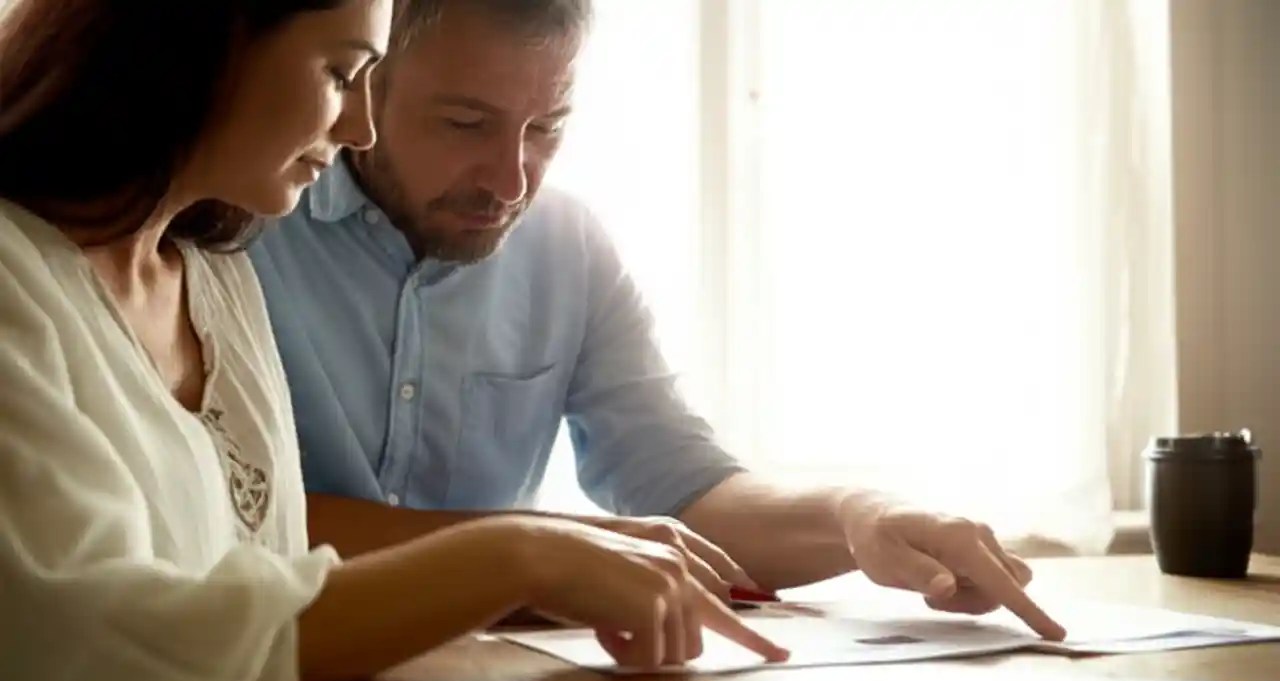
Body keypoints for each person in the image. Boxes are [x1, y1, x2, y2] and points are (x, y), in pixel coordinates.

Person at [0, 1, 787, 681]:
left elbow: (271, 589)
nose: (359, 129)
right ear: (204, 43)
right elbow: (91, 647)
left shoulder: (214, 279)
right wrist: (520, 554)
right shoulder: (15, 275)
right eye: (342, 73)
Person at [250, 0, 1068, 641]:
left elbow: (684, 491)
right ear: (362, 84)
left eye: (548, 129)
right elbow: (233, 518)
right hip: (269, 671)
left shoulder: (567, 246)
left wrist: (858, 517)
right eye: (466, 124)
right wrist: (529, 554)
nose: (511, 181)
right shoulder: (241, 228)